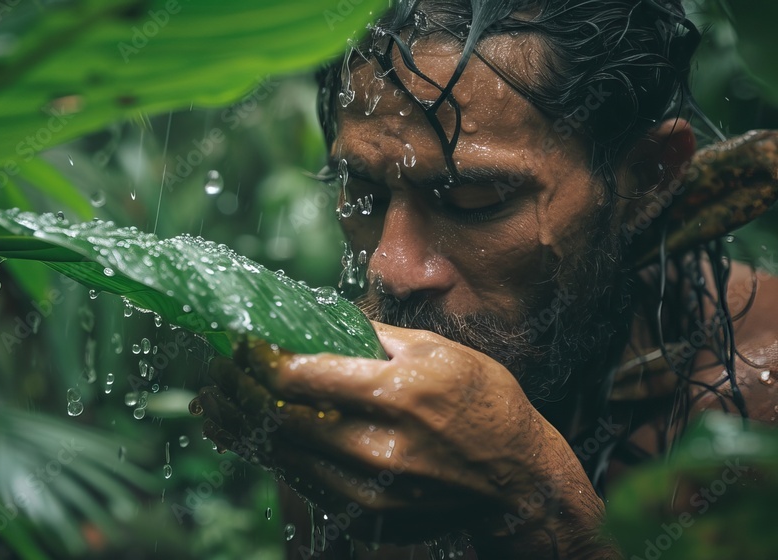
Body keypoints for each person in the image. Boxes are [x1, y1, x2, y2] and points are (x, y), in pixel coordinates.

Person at [189, 1, 778, 558]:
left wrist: (533, 500)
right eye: (364, 194)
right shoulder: (357, 428)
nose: (388, 269)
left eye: (475, 201)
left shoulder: (758, 409)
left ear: (646, 178)